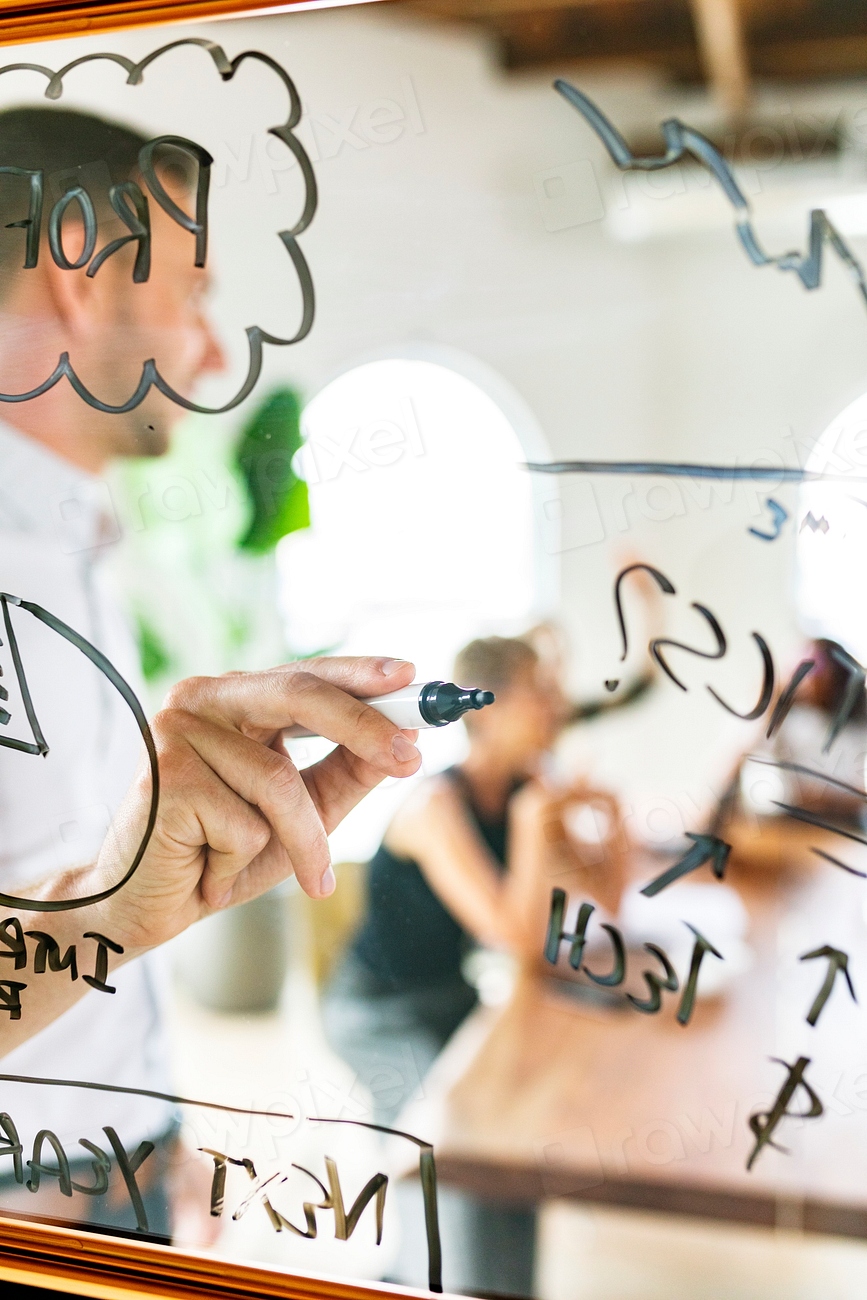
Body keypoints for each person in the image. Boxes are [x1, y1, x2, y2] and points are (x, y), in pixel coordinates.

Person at [0, 103, 233, 1234]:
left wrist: (152, 1128)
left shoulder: (75, 537)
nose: (216, 352)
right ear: (84, 279)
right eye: (194, 294)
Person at [322, 634, 632, 1297]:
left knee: (514, 1139)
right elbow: (514, 936)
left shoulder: (527, 790)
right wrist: (534, 822)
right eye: (539, 690)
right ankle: (418, 1280)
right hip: (376, 1012)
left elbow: (609, 898)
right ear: (486, 710)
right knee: (446, 1152)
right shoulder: (436, 807)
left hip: (450, 996)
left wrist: (607, 812)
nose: (555, 706)